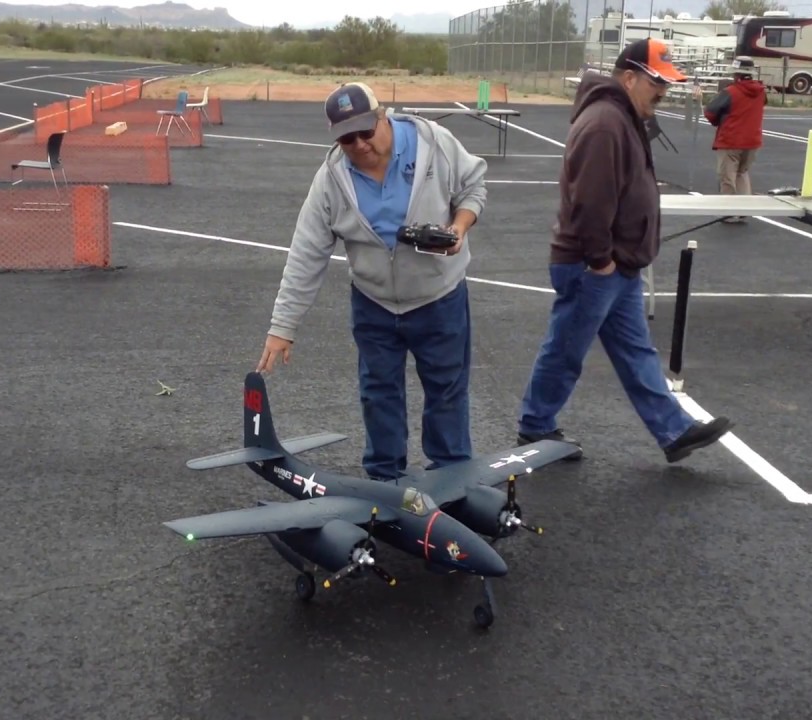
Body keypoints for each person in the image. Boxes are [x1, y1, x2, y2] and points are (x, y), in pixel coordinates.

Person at [516, 38, 734, 464]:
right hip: (594, 264)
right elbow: (590, 200)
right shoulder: (604, 123)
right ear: (629, 77)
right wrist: (600, 260)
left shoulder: (622, 116)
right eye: (658, 83)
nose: (664, 92)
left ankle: (673, 431)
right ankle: (536, 425)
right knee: (566, 350)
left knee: (635, 351)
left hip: (617, 264)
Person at [256, 82, 488, 481]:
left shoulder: (434, 143)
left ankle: (453, 478)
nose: (360, 144)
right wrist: (283, 327)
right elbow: (306, 254)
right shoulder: (330, 179)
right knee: (379, 395)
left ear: (384, 117)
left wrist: (459, 226)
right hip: (374, 305)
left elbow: (473, 187)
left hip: (439, 297)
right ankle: (385, 482)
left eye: (366, 131)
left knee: (447, 393)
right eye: (347, 138)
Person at [704, 56, 767, 224]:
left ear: (736, 74)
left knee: (727, 176)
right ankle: (744, 208)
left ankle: (729, 211)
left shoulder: (730, 92)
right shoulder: (761, 91)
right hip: (752, 141)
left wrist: (719, 121)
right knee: (742, 173)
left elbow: (710, 112)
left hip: (730, 139)